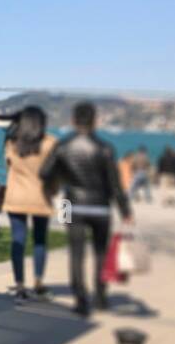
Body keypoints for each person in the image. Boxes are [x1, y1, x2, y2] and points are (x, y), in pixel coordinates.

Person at [40, 101, 133, 316]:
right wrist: (126, 211)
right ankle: (100, 296)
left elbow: (45, 173)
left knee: (77, 254)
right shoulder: (105, 148)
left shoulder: (62, 146)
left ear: (73, 121)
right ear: (95, 121)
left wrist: (62, 178)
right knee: (100, 253)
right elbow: (115, 185)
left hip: (74, 205)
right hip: (101, 206)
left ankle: (81, 299)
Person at [3, 106, 56, 302]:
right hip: (40, 197)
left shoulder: (12, 143)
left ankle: (19, 286)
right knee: (40, 240)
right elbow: (54, 172)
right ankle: (39, 283)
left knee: (18, 240)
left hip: (16, 197)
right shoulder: (50, 143)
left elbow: (8, 166)